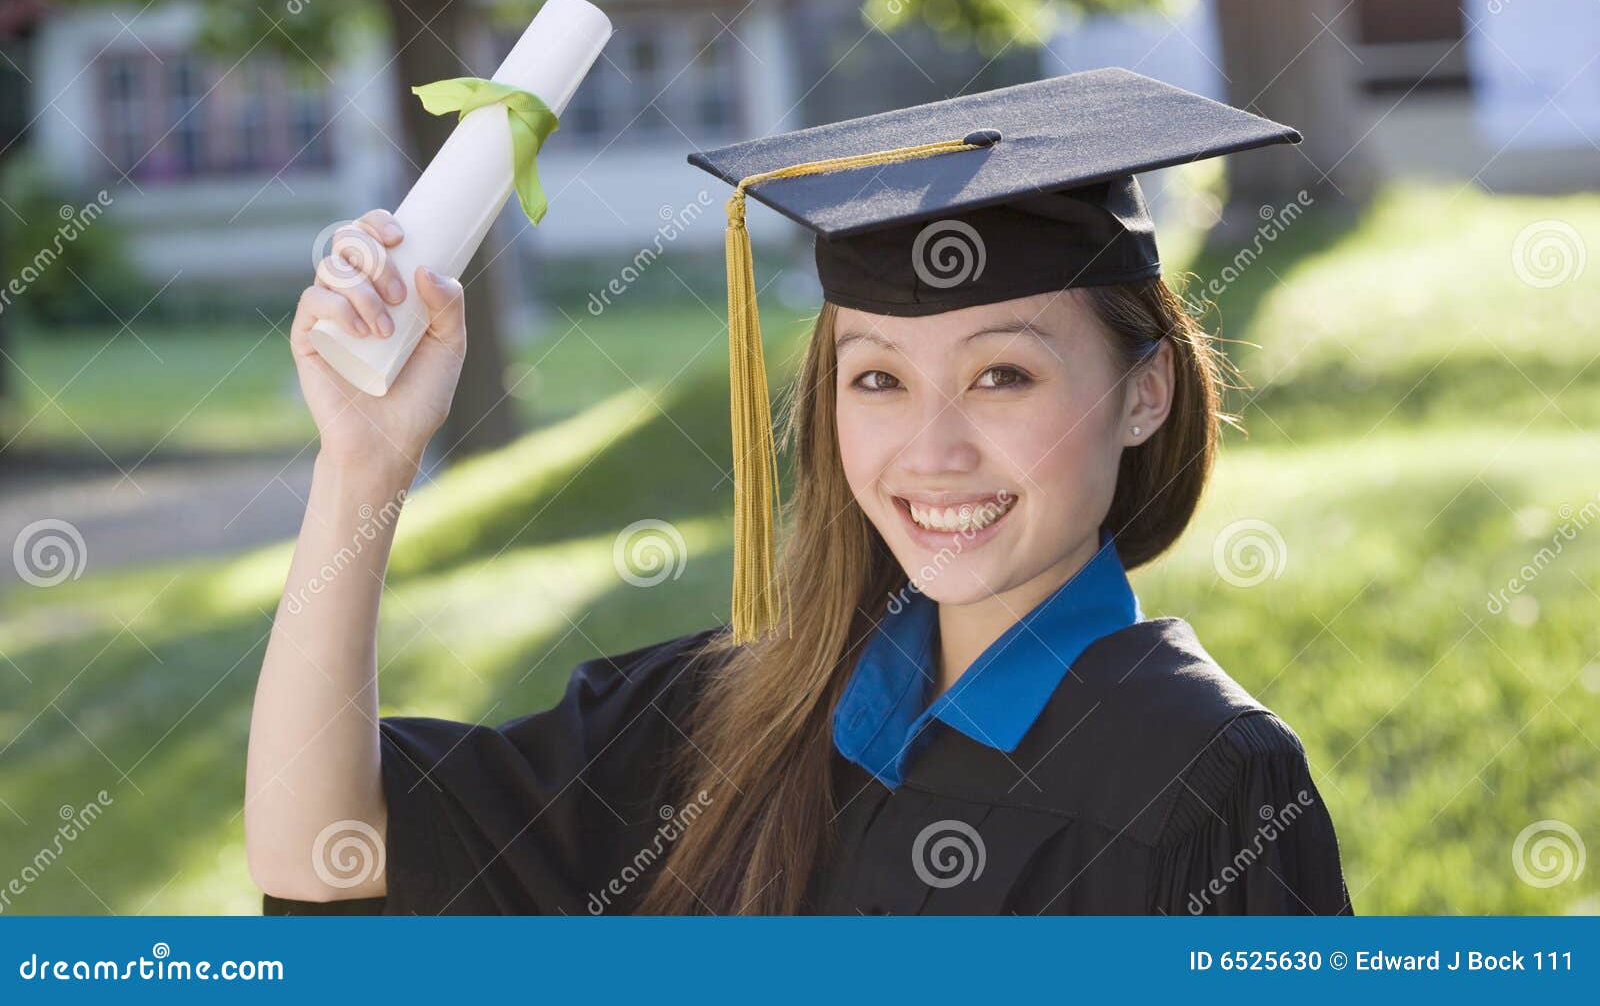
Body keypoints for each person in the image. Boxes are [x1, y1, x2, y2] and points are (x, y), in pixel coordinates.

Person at [246, 67, 1352, 915]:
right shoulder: (724, 712)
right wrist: (364, 462)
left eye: (1001, 374)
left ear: (1144, 391)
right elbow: (330, 852)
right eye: (878, 377)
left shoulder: (1203, 774)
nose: (933, 448)